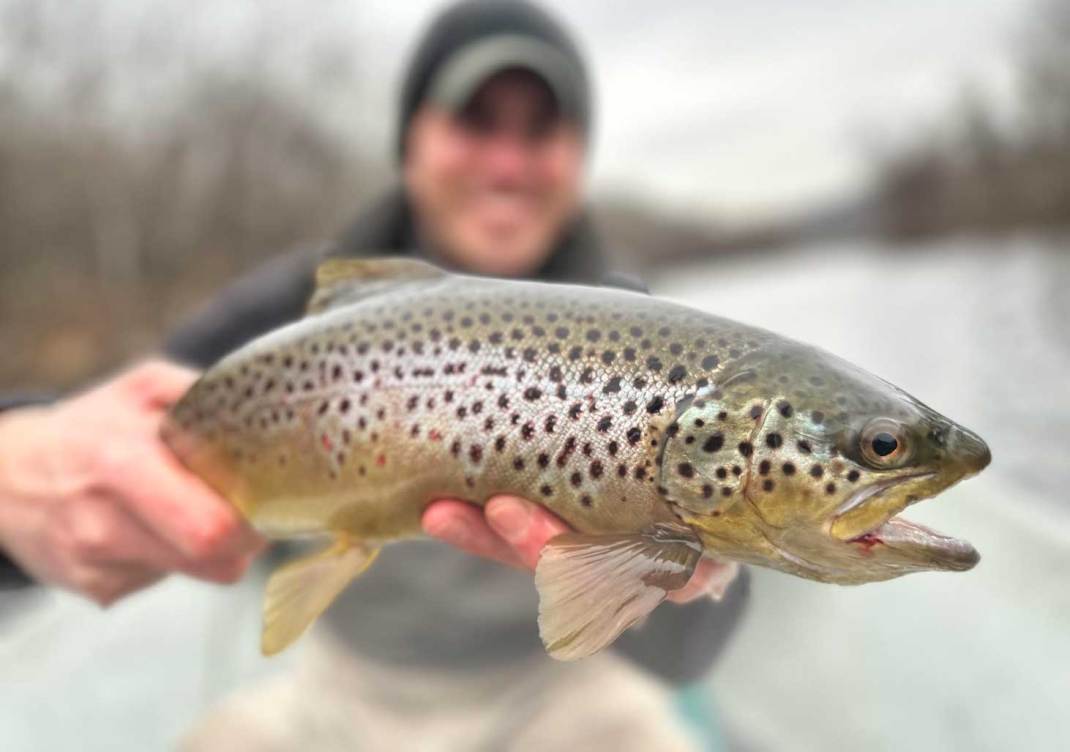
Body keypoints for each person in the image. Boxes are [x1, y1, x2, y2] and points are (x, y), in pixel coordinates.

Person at [0, 2, 748, 748]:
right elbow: (103, 439)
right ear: (411, 141)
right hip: (335, 692)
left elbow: (688, 660)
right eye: (476, 121)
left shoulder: (644, 341)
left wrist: (680, 575)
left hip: (565, 693)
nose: (508, 163)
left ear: (576, 158)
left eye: (540, 130)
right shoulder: (292, 315)